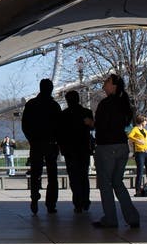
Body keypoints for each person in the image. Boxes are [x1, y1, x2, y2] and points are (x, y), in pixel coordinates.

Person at [91, 74, 140, 229]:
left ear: (113, 85)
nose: (104, 84)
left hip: (107, 147)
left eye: (107, 81)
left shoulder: (106, 104)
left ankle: (110, 219)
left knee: (105, 184)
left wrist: (89, 123)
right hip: (122, 147)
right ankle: (132, 217)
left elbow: (100, 125)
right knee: (118, 182)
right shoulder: (125, 103)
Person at [21, 78, 62, 214]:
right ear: (50, 89)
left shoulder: (31, 104)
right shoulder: (54, 106)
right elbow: (59, 126)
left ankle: (34, 198)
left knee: (35, 172)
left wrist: (32, 140)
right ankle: (51, 203)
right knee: (52, 174)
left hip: (36, 144)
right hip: (50, 144)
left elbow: (25, 125)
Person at [58, 89, 94, 213]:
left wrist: (62, 148)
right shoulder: (86, 112)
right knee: (84, 176)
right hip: (83, 149)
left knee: (74, 177)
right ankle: (85, 200)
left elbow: (60, 135)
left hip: (69, 150)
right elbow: (92, 127)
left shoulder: (63, 115)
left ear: (67, 101)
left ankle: (78, 202)